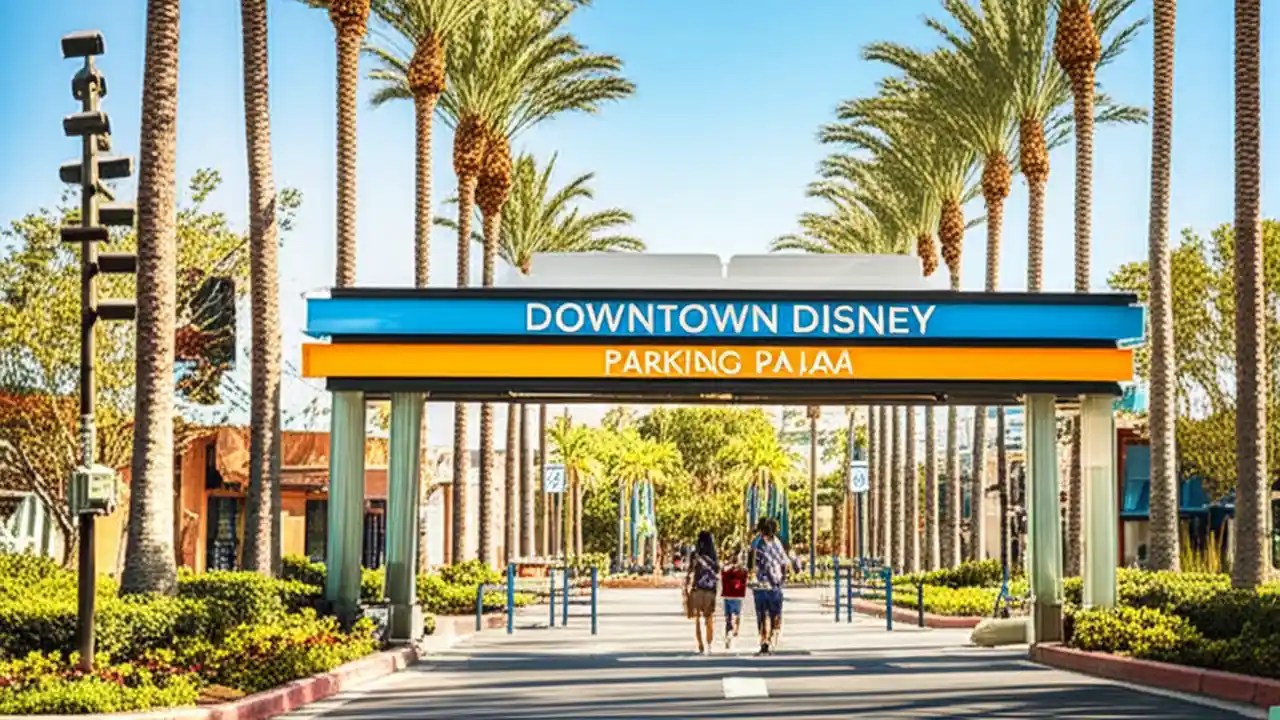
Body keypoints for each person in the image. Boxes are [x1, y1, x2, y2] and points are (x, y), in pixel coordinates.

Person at [747, 517, 790, 655]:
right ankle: (771, 638)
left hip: (760, 585)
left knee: (761, 614)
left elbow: (750, 564)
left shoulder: (756, 543)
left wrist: (750, 576)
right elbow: (784, 563)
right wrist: (783, 578)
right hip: (775, 584)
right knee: (774, 613)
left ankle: (764, 640)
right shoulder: (778, 543)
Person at [684, 530, 720, 654]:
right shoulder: (713, 556)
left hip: (697, 589)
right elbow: (717, 571)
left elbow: (690, 571)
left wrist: (686, 587)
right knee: (709, 618)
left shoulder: (695, 555)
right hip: (710, 590)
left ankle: (700, 645)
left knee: (698, 619)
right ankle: (709, 643)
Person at [720, 544, 748, 650]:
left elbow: (723, 572)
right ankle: (734, 631)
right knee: (736, 615)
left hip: (727, 595)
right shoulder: (742, 570)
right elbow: (746, 575)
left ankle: (729, 633)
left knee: (728, 618)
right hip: (737, 596)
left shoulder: (727, 568)